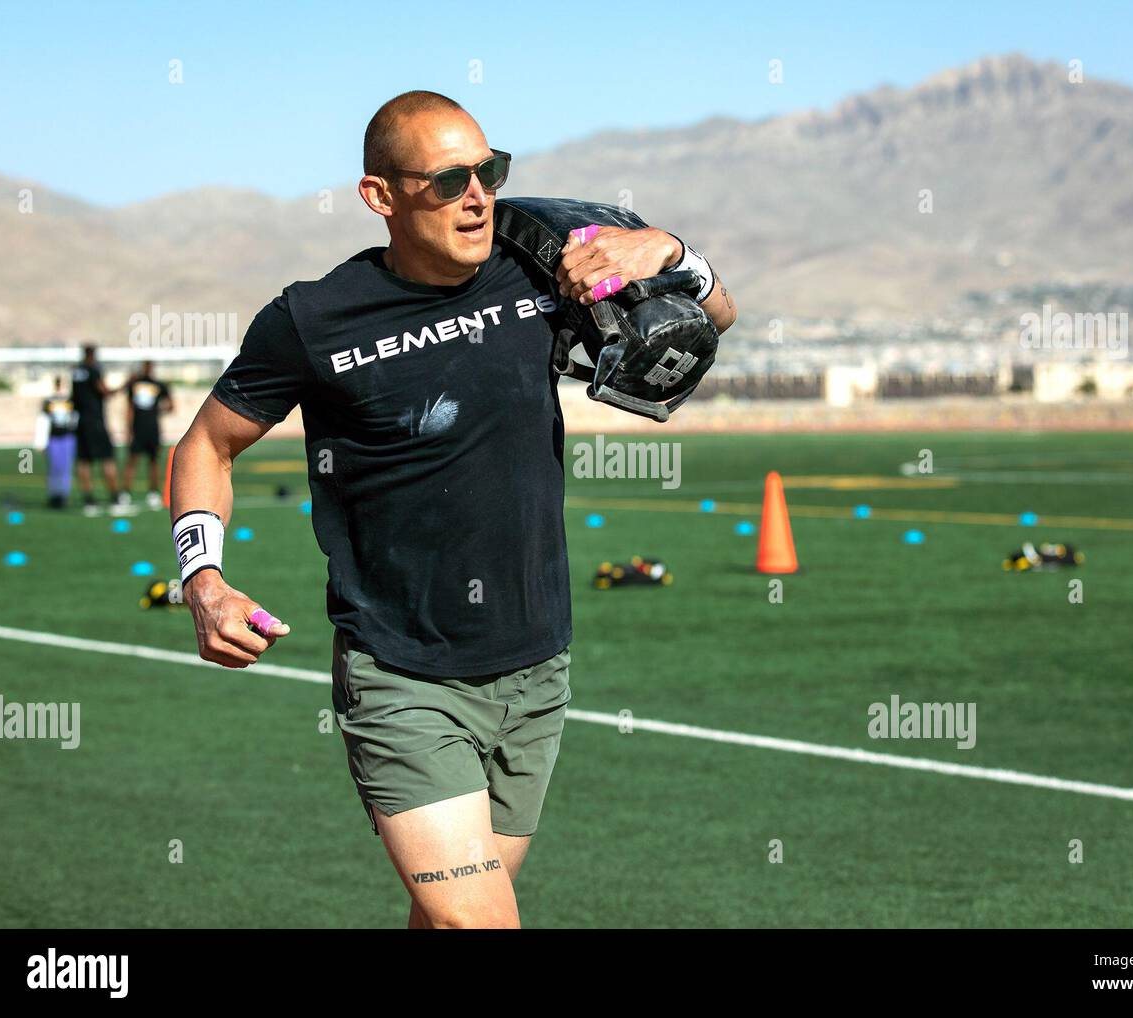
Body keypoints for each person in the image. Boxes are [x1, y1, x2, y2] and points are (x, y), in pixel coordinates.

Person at [170, 90, 737, 929]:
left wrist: (673, 253)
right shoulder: (313, 321)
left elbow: (717, 318)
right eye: (447, 181)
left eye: (489, 171)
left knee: (444, 919)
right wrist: (202, 579)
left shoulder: (541, 261)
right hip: (403, 673)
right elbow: (206, 445)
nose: (478, 196)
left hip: (537, 664)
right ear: (380, 196)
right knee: (479, 922)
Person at [70, 345, 120, 514]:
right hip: (95, 421)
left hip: (80, 421)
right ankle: (115, 498)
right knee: (107, 458)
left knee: (84, 461)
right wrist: (124, 386)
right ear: (92, 355)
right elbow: (104, 391)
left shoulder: (76, 372)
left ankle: (89, 500)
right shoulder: (93, 370)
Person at [123, 361, 173, 508]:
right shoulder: (135, 384)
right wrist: (128, 428)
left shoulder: (158, 385)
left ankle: (153, 493)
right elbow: (130, 407)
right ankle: (125, 493)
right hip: (139, 428)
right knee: (133, 461)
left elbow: (171, 405)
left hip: (152, 428)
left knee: (153, 462)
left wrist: (157, 411)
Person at [37, 375, 78, 509]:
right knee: (54, 468)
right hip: (53, 438)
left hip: (67, 438)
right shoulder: (49, 401)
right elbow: (43, 421)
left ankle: (63, 495)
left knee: (66, 468)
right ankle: (53, 495)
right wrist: (41, 442)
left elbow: (75, 419)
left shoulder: (70, 400)